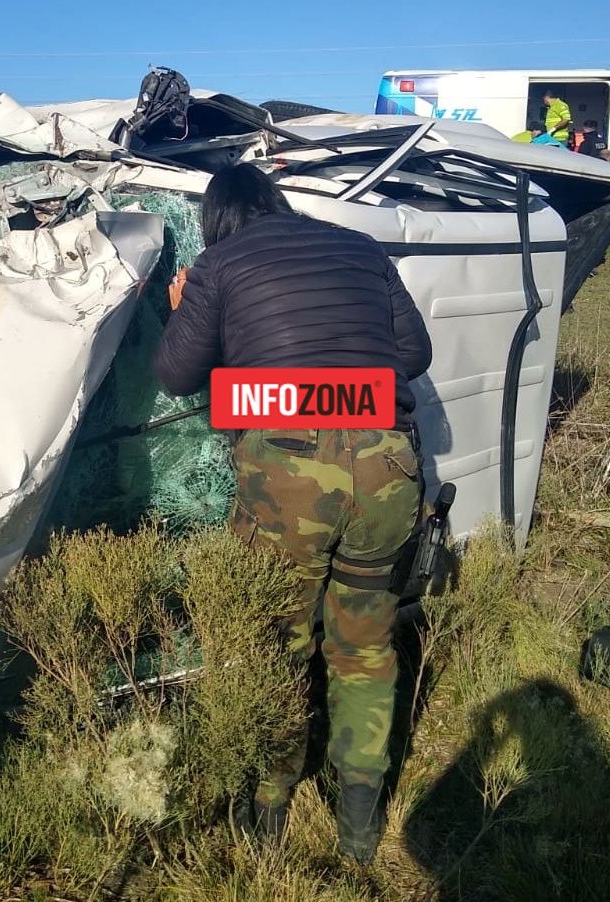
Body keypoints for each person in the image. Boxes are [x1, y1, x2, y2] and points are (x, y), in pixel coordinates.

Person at [153, 163, 432, 863]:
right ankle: (361, 834)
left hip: (290, 476)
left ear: (216, 220)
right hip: (388, 463)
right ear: (277, 204)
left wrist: (183, 306)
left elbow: (176, 374)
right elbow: (414, 354)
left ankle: (267, 822)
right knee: (364, 649)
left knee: (274, 647)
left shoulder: (218, 264)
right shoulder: (363, 249)